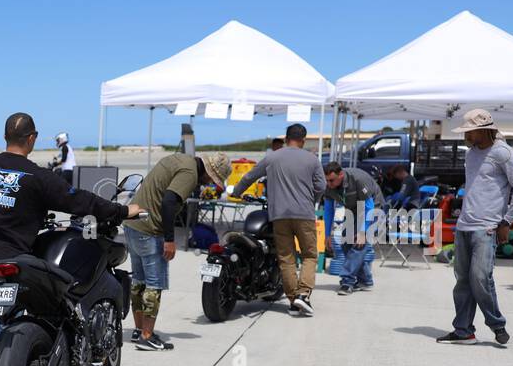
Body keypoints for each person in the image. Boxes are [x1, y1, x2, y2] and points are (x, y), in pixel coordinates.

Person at [0, 112, 141, 366]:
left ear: (5, 137)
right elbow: (81, 200)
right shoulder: (37, 177)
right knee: (3, 329)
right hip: (9, 264)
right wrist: (122, 211)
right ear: (31, 139)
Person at [436, 109, 513, 346]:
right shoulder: (471, 154)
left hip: (487, 227)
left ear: (483, 129)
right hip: (464, 226)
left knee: (480, 278)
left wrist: (506, 221)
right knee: (463, 281)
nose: (466, 135)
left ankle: (497, 324)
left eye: (470, 131)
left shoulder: (503, 153)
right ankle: (463, 330)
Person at [123, 150, 232, 349]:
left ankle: (139, 331)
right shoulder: (190, 174)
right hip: (150, 229)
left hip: (133, 223)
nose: (208, 183)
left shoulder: (179, 159)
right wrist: (169, 239)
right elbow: (168, 202)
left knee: (139, 280)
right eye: (211, 179)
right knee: (154, 284)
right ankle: (147, 336)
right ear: (208, 172)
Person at [229, 123, 325, 316]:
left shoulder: (272, 157)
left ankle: (292, 301)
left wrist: (237, 192)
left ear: (286, 138)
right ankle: (303, 294)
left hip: (279, 215)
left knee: (286, 258)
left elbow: (250, 176)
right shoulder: (312, 159)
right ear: (303, 140)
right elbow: (321, 186)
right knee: (309, 255)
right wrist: (311, 201)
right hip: (304, 215)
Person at [322, 162, 385, 296]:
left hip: (374, 208)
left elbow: (369, 206)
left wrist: (362, 232)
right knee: (345, 242)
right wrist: (328, 235)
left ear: (341, 175)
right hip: (354, 211)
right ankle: (365, 281)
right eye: (326, 180)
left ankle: (347, 281)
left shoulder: (357, 179)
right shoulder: (329, 186)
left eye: (331, 180)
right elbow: (328, 210)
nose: (329, 184)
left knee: (358, 245)